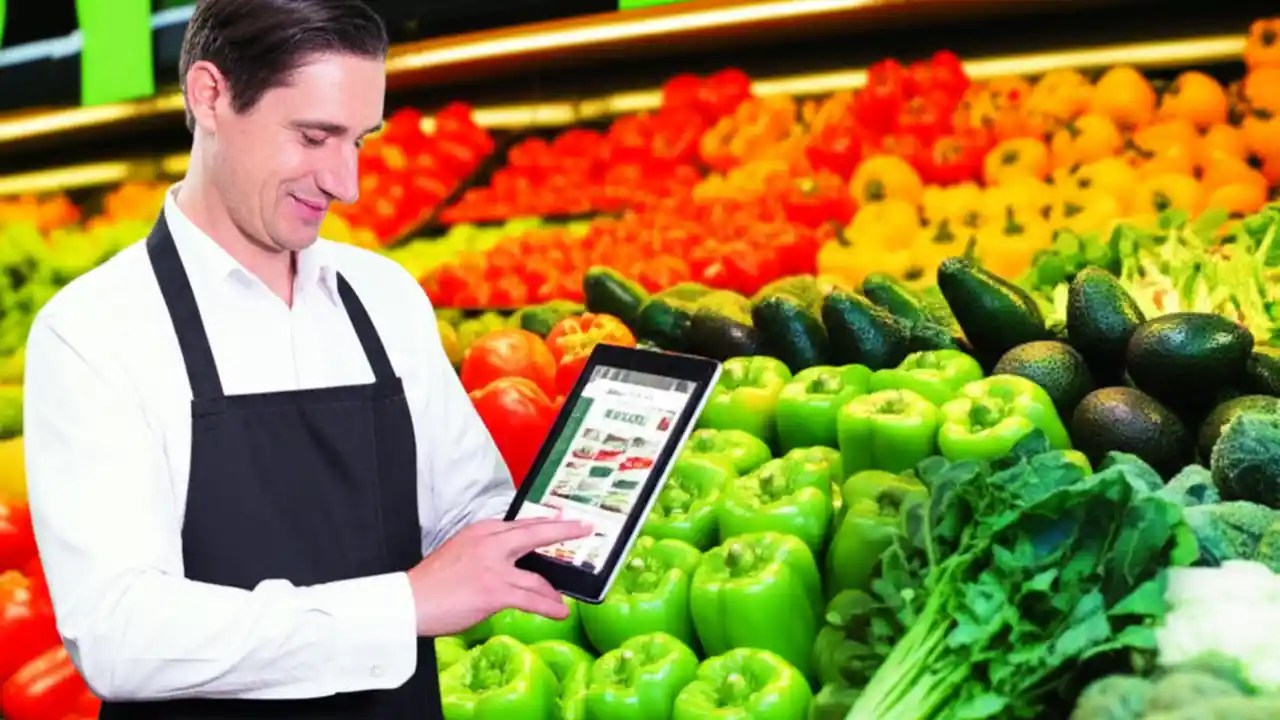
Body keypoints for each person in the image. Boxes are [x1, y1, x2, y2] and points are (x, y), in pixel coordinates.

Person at [21, 0, 591, 717]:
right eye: (314, 136)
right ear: (210, 95)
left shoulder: (384, 297)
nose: (345, 183)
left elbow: (463, 513)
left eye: (359, 141)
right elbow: (121, 636)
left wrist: (571, 517)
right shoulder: (94, 332)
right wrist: (404, 604)